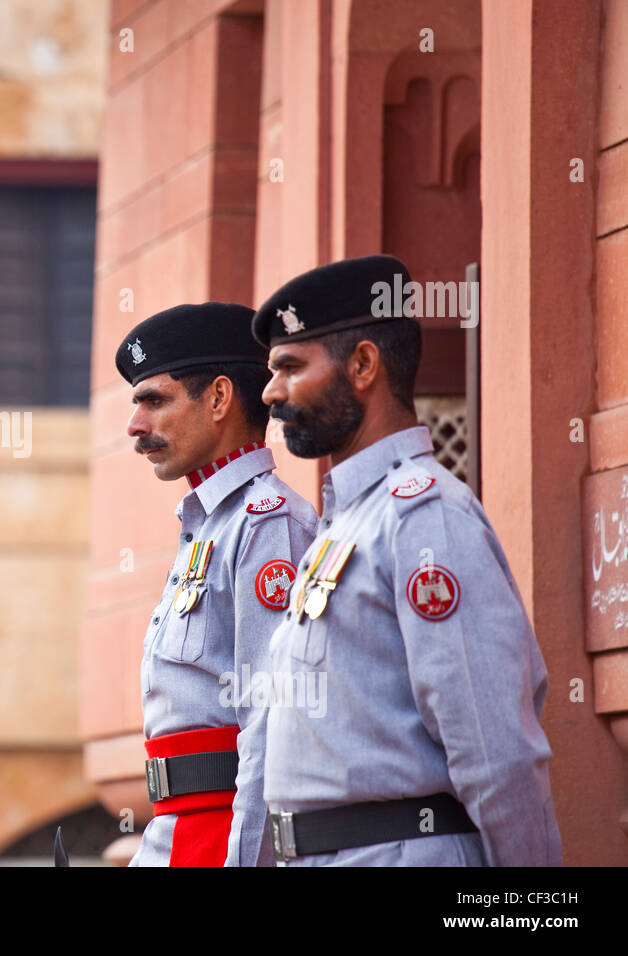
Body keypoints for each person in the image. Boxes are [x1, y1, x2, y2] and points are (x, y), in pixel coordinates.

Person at [254, 254, 561, 866]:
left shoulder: (424, 517)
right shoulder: (346, 522)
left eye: (291, 366)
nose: (271, 392)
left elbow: (495, 750)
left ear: (364, 365)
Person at [119, 303, 317, 866]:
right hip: (175, 833)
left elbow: (269, 726)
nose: (135, 426)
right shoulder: (209, 523)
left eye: (154, 400)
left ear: (220, 398)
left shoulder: (267, 522)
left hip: (222, 837)